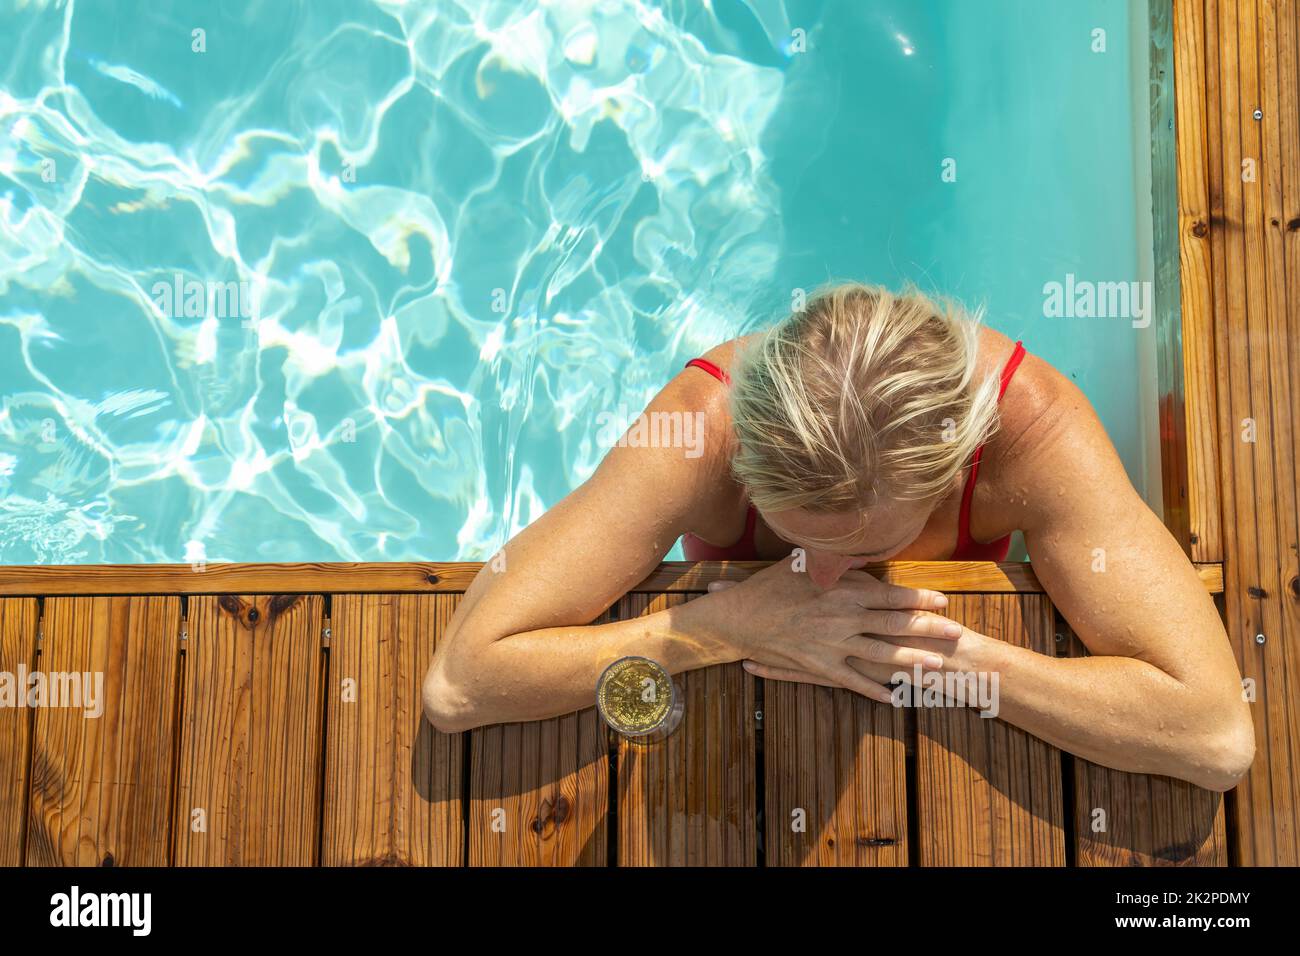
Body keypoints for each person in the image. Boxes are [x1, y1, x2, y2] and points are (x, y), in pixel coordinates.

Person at [423, 283, 1253, 791]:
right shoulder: (698, 433)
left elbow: (1214, 736)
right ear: (743, 457)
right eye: (792, 538)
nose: (823, 581)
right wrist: (719, 629)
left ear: (958, 470)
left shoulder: (1031, 436)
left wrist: (947, 662)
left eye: (863, 552)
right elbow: (463, 682)